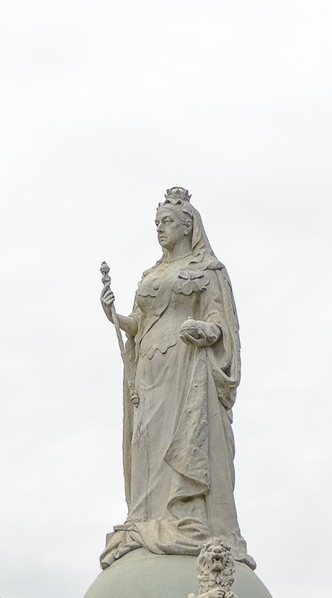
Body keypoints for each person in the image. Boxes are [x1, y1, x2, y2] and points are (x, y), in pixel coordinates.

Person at [99, 186, 251, 571]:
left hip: (186, 367)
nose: (160, 230)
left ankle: (188, 516)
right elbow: (139, 322)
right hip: (150, 367)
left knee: (183, 438)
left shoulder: (209, 271)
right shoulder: (151, 274)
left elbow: (221, 323)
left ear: (188, 226)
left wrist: (205, 331)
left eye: (167, 222)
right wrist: (115, 317)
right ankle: (146, 518)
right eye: (157, 224)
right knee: (146, 441)